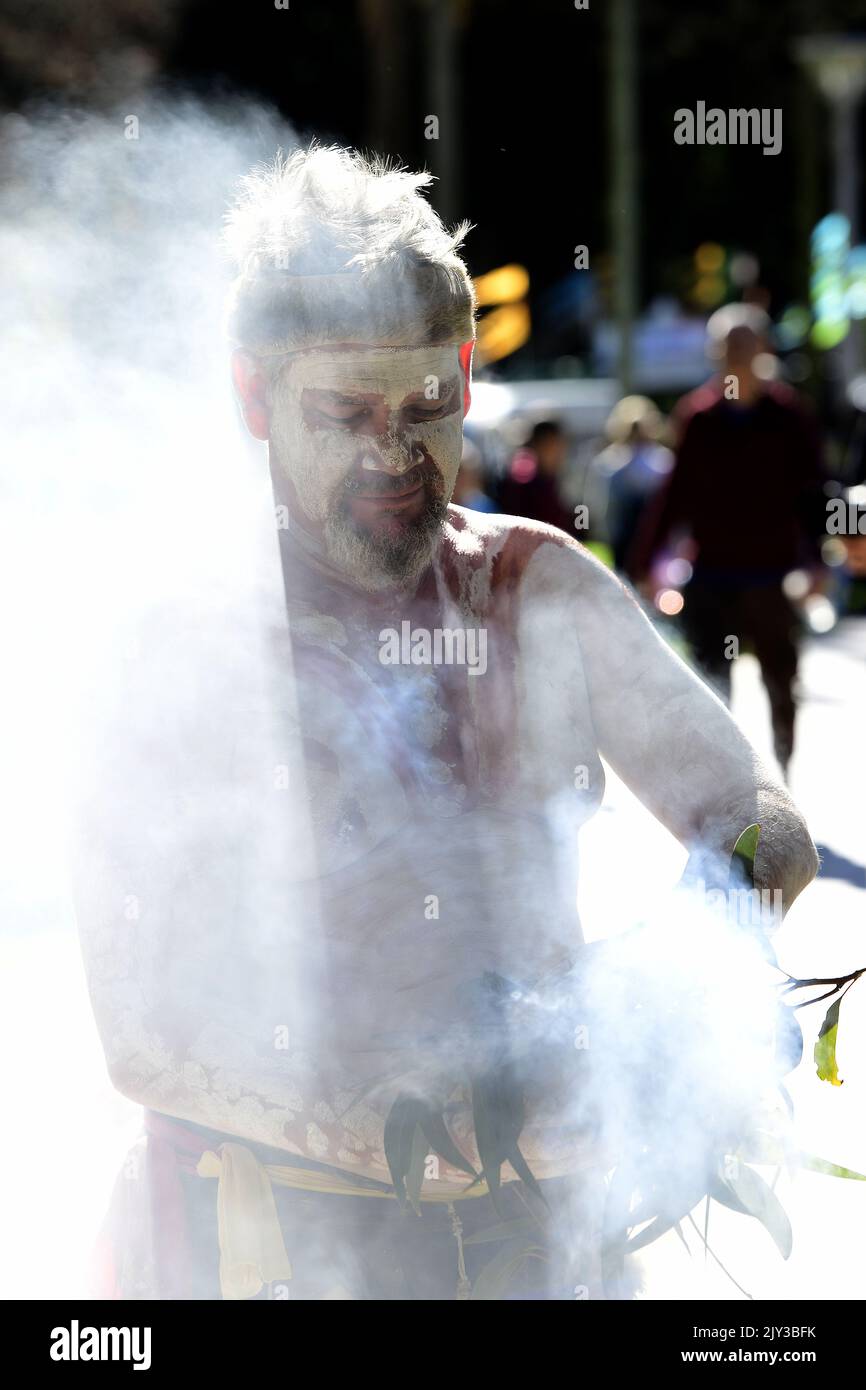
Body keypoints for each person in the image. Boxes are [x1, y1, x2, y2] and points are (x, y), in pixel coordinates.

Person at [74, 148, 818, 1301]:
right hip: (263, 1237)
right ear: (253, 398)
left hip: (544, 1235)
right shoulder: (178, 639)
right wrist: (367, 1126)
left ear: (467, 371)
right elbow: (138, 1028)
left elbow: (758, 817)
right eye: (346, 410)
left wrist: (693, 957)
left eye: (429, 403)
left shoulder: (535, 585)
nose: (394, 453)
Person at [629, 304, 827, 775]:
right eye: (728, 345)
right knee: (710, 688)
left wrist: (819, 561)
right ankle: (727, 789)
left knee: (782, 680)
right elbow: (674, 496)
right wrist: (642, 565)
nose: (737, 354)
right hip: (713, 574)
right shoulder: (698, 417)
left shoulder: (789, 416)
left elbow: (816, 491)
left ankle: (785, 770)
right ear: (716, 353)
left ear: (764, 349)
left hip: (772, 573)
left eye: (746, 343)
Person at [586, 395, 674, 573]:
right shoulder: (608, 461)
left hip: (653, 537)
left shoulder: (662, 459)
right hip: (622, 537)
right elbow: (598, 501)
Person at [498, 419, 573, 533]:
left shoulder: (551, 478)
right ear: (538, 445)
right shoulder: (523, 479)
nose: (559, 454)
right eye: (553, 447)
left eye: (561, 448)